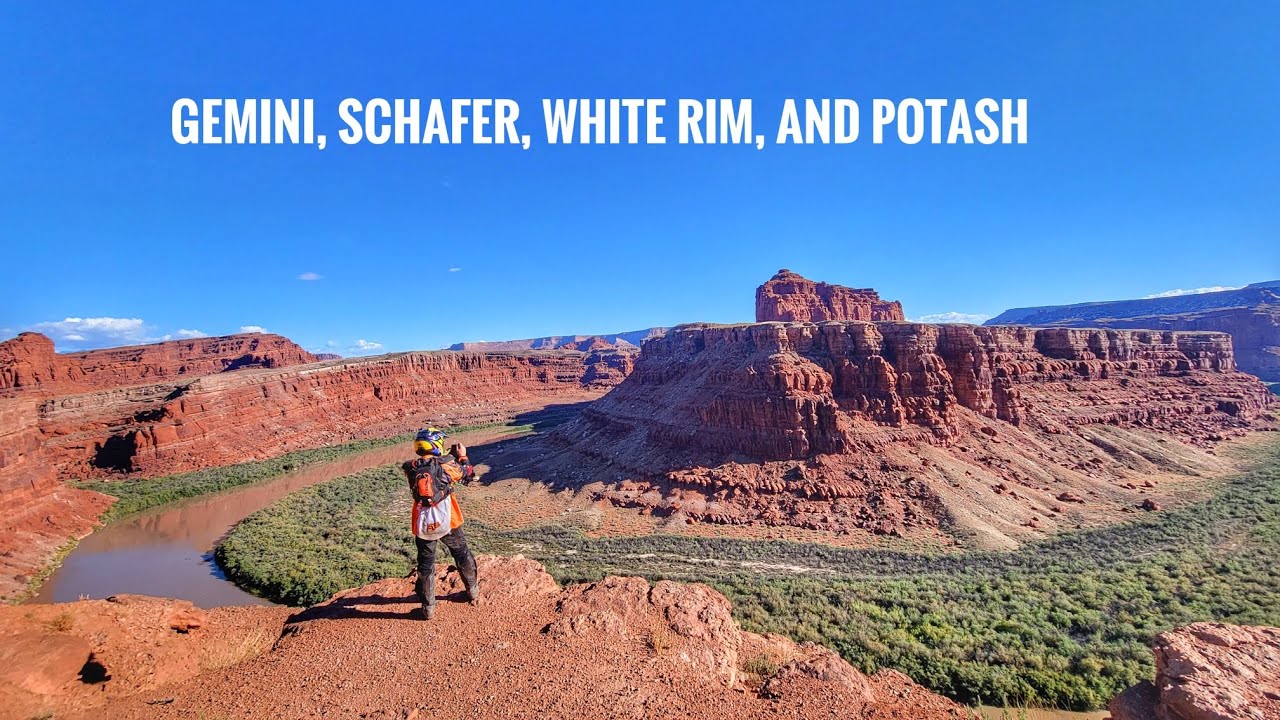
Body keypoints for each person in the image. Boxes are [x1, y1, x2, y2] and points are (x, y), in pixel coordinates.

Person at [402, 426, 478, 620]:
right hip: (448, 520)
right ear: (434, 444)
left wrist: (447, 456)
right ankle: (473, 592)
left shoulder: (409, 467)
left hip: (423, 523)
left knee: (426, 565)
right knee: (461, 553)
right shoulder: (446, 465)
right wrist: (462, 457)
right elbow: (468, 474)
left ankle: (428, 609)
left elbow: (428, 468)